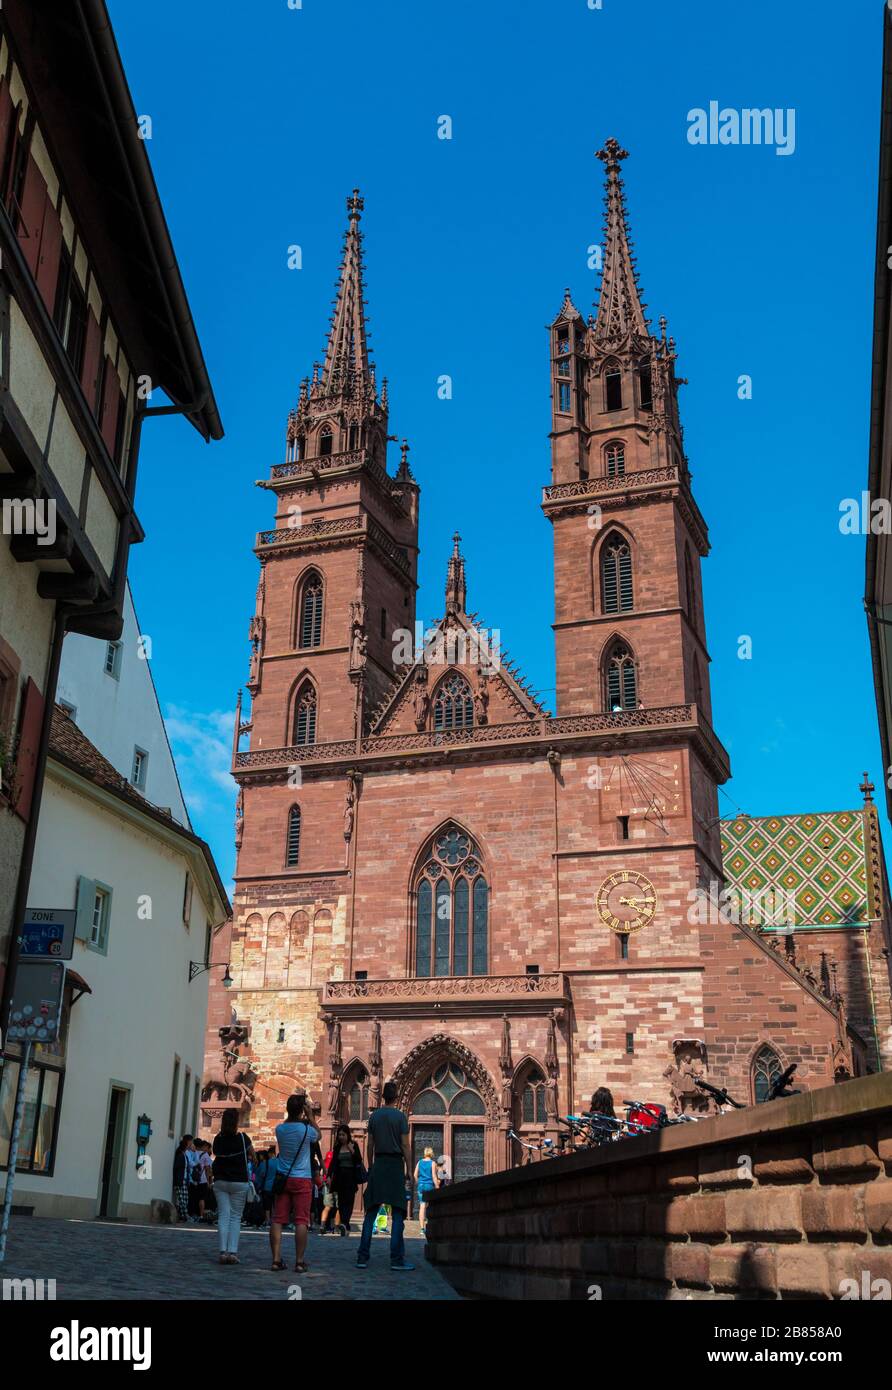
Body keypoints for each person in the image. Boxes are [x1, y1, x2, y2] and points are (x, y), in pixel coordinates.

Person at [356, 1080, 413, 1271]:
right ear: (396, 1097)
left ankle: (362, 1257)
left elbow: (370, 1144)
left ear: (382, 1097)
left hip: (379, 1163)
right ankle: (396, 1259)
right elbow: (405, 1145)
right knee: (398, 1214)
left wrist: (371, 1165)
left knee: (370, 1213)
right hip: (395, 1165)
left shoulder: (374, 1117)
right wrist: (409, 1170)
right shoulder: (400, 1117)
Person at [269, 1093, 319, 1273]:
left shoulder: (279, 1129)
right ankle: (299, 1261)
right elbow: (318, 1135)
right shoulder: (306, 1131)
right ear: (302, 1110)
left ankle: (276, 1259)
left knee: (278, 1219)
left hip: (283, 1178)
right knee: (301, 1221)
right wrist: (311, 1117)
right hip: (302, 1179)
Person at [211, 1109, 255, 1265]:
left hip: (221, 1180)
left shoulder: (218, 1139)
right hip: (239, 1181)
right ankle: (232, 1252)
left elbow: (214, 1153)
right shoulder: (243, 1138)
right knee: (235, 1217)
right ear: (236, 1121)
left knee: (223, 1215)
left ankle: (222, 1252)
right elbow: (253, 1156)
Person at [327, 1123, 364, 1235]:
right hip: (339, 1177)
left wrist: (351, 1150)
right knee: (341, 1202)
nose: (341, 1137)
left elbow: (358, 1160)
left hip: (350, 1177)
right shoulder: (337, 1147)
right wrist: (329, 1175)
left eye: (343, 1135)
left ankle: (344, 1223)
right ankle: (344, 1224)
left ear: (348, 1135)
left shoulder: (354, 1145)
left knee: (349, 1201)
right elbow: (333, 1162)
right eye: (339, 1135)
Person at [414, 1145, 439, 1234]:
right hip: (429, 1186)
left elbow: (415, 1175)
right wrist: (437, 1187)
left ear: (425, 1153)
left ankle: (422, 1229)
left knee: (422, 1206)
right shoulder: (432, 1163)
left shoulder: (419, 1162)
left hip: (421, 1185)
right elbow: (434, 1176)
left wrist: (418, 1182)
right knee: (431, 1205)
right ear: (431, 1153)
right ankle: (430, 1225)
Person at [172, 1135, 193, 1222]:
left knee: (185, 1199)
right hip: (180, 1180)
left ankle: (183, 1216)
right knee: (182, 1200)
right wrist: (177, 1180)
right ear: (187, 1142)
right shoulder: (180, 1153)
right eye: (191, 1142)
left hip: (184, 1180)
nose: (192, 1144)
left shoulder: (185, 1154)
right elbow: (177, 1168)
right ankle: (184, 1217)